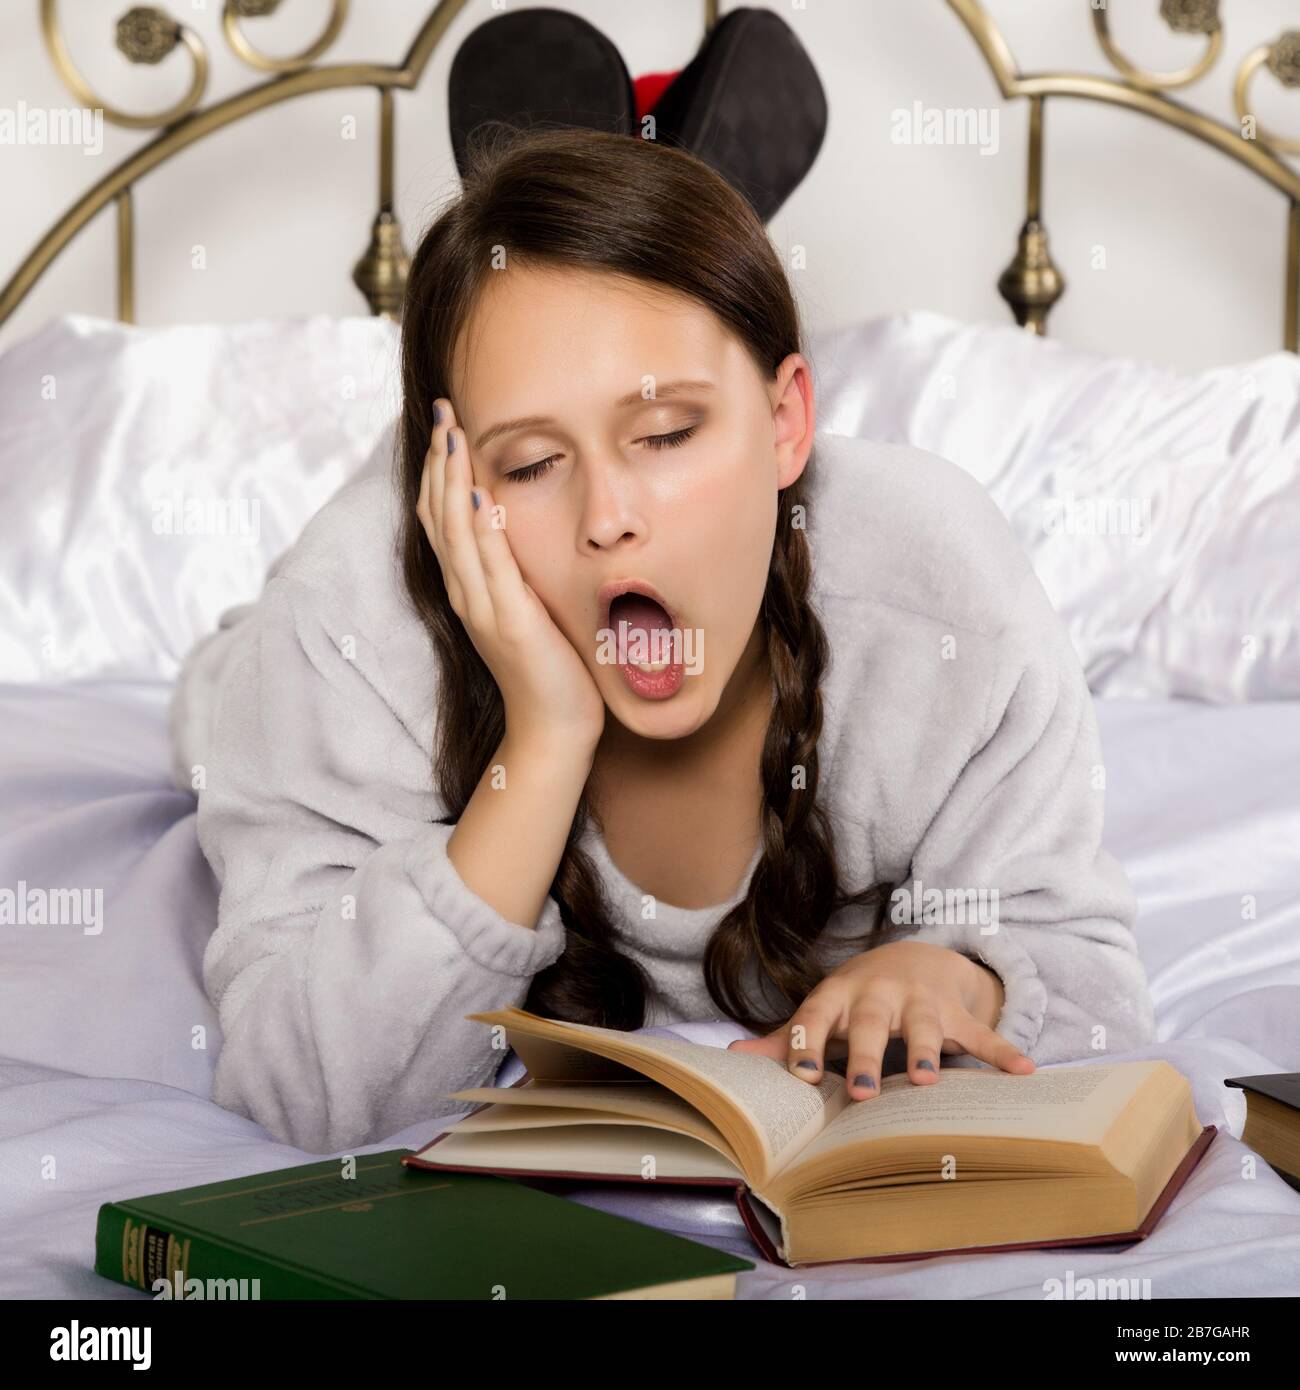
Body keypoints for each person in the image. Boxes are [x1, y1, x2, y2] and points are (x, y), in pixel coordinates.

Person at [170, 125, 1156, 1154]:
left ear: (786, 421)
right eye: (530, 464)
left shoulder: (938, 598)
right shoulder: (346, 624)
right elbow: (300, 1096)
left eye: (667, 435)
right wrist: (542, 744)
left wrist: (963, 973)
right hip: (269, 665)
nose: (609, 516)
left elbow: (1096, 997)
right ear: (455, 491)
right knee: (223, 698)